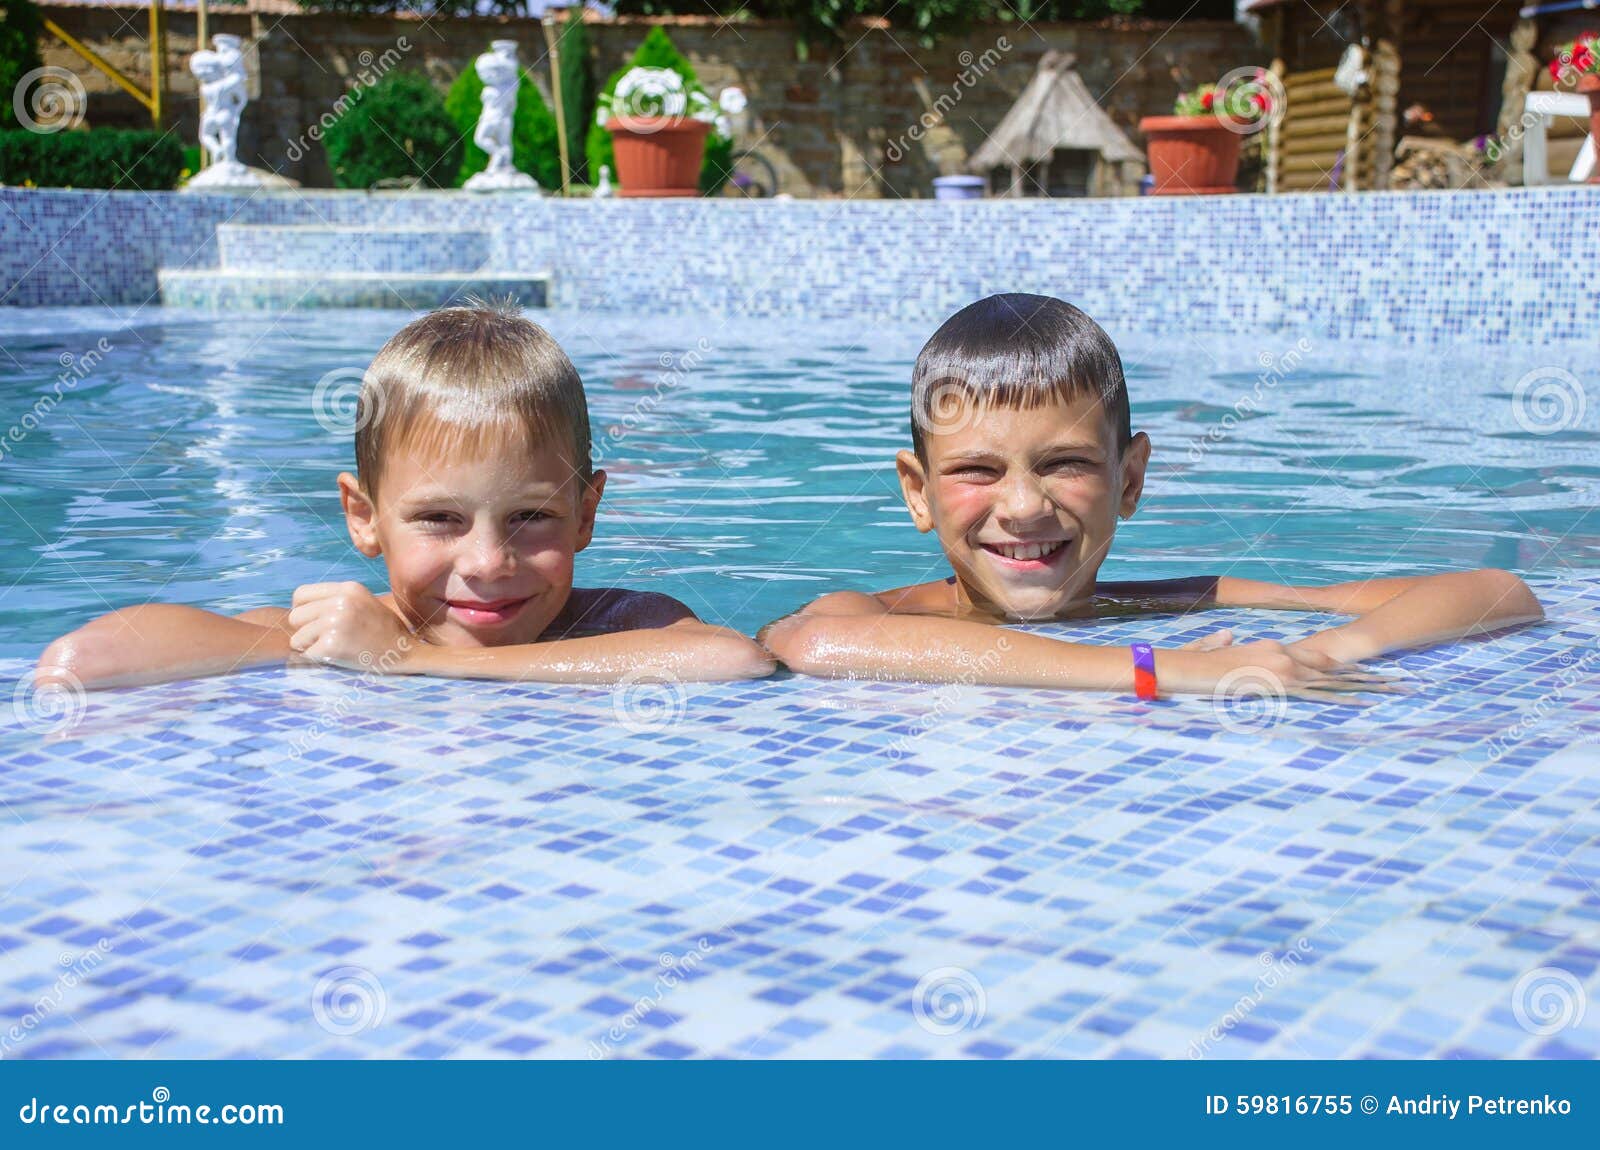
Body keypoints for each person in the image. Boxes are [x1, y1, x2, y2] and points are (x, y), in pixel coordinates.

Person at [761, 294, 1543, 699]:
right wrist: (1153, 670)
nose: (1025, 506)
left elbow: (1497, 590)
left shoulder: (1169, 601)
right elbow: (808, 643)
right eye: (978, 471)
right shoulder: (889, 613)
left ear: (1130, 479)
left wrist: (1314, 655)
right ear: (918, 492)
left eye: (1066, 463)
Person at [36, 303, 773, 689]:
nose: (488, 562)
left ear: (585, 514)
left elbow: (731, 659)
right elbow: (81, 660)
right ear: (364, 517)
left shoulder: (615, 622)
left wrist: (414, 660)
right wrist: (336, 650)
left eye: (531, 516)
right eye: (440, 518)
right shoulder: (344, 629)